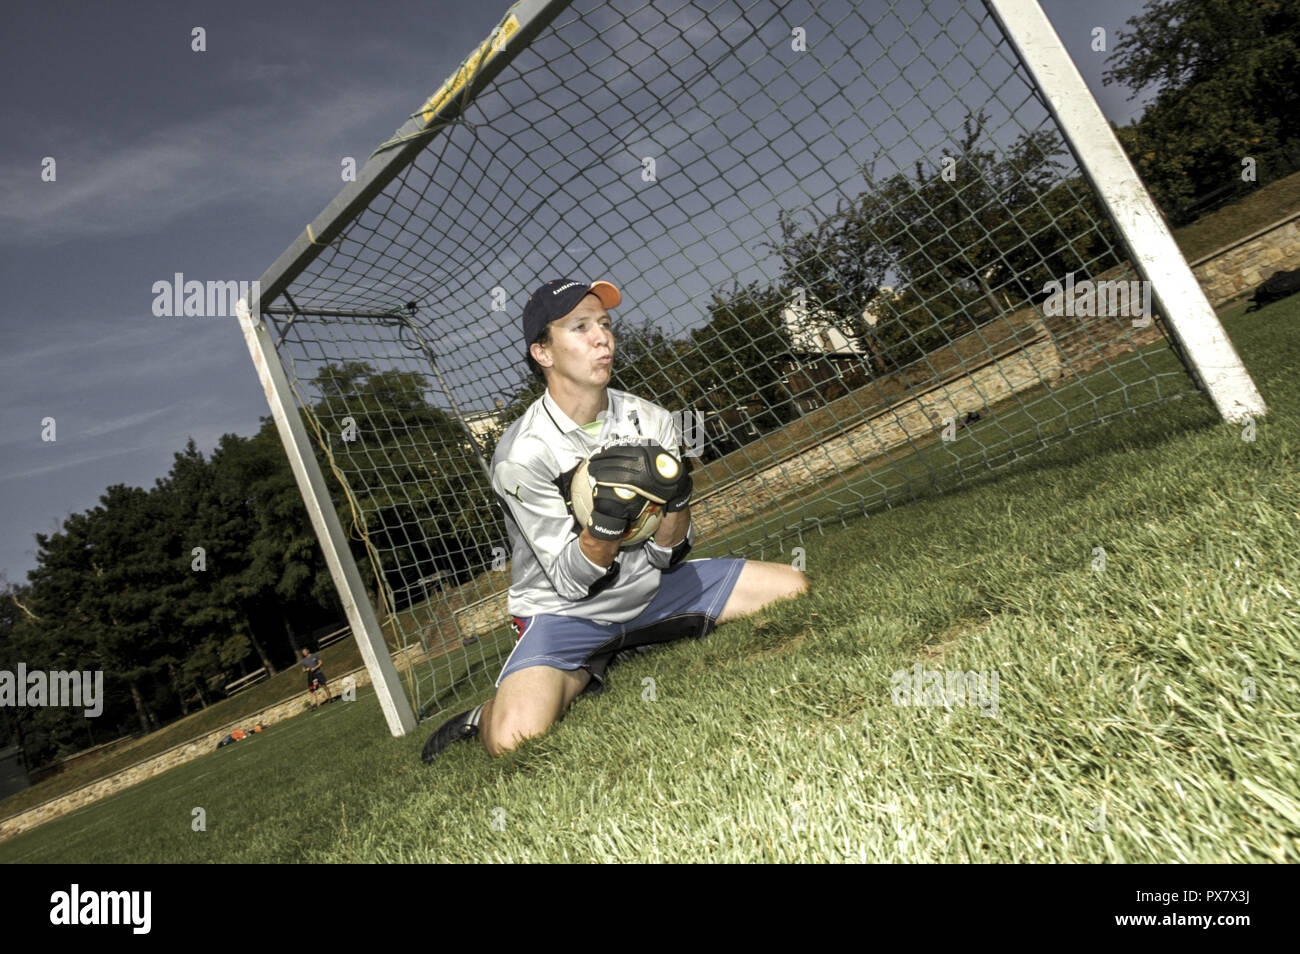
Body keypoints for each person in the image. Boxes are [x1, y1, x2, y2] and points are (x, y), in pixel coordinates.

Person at [421, 278, 809, 761]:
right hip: (565, 613)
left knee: (792, 586)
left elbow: (667, 554)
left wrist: (679, 496)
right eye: (579, 327)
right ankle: (493, 708)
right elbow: (567, 581)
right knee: (513, 740)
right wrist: (606, 522)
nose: (602, 337)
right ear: (543, 352)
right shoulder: (522, 454)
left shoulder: (649, 419)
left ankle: (623, 646)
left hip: (650, 588)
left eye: (604, 324)